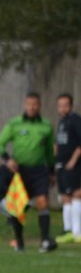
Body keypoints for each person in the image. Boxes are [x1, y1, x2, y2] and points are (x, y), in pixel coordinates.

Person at [0, 92, 57, 253]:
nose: (32, 107)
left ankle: (45, 240)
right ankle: (20, 242)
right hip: (20, 171)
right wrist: (8, 159)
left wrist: (52, 172)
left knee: (43, 202)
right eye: (29, 104)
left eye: (35, 104)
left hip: (39, 171)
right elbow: (0, 143)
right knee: (18, 207)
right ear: (24, 105)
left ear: (40, 106)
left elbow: (50, 152)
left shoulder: (46, 126)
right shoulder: (15, 124)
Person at [55, 94, 81, 243]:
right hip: (61, 164)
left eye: (65, 105)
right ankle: (68, 230)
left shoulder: (75, 120)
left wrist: (73, 160)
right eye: (60, 105)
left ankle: (77, 232)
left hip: (74, 165)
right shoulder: (62, 122)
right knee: (65, 196)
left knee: (76, 194)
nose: (62, 108)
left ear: (71, 106)